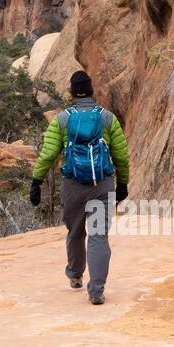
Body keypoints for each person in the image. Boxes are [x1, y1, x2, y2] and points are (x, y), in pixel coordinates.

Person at [28, 70, 130, 305]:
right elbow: (121, 156)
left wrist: (36, 181)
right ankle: (96, 292)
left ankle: (75, 275)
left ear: (72, 93)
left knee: (75, 232)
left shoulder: (62, 120)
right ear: (92, 92)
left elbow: (48, 155)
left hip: (73, 185)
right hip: (101, 184)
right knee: (98, 236)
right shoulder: (107, 118)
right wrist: (123, 182)